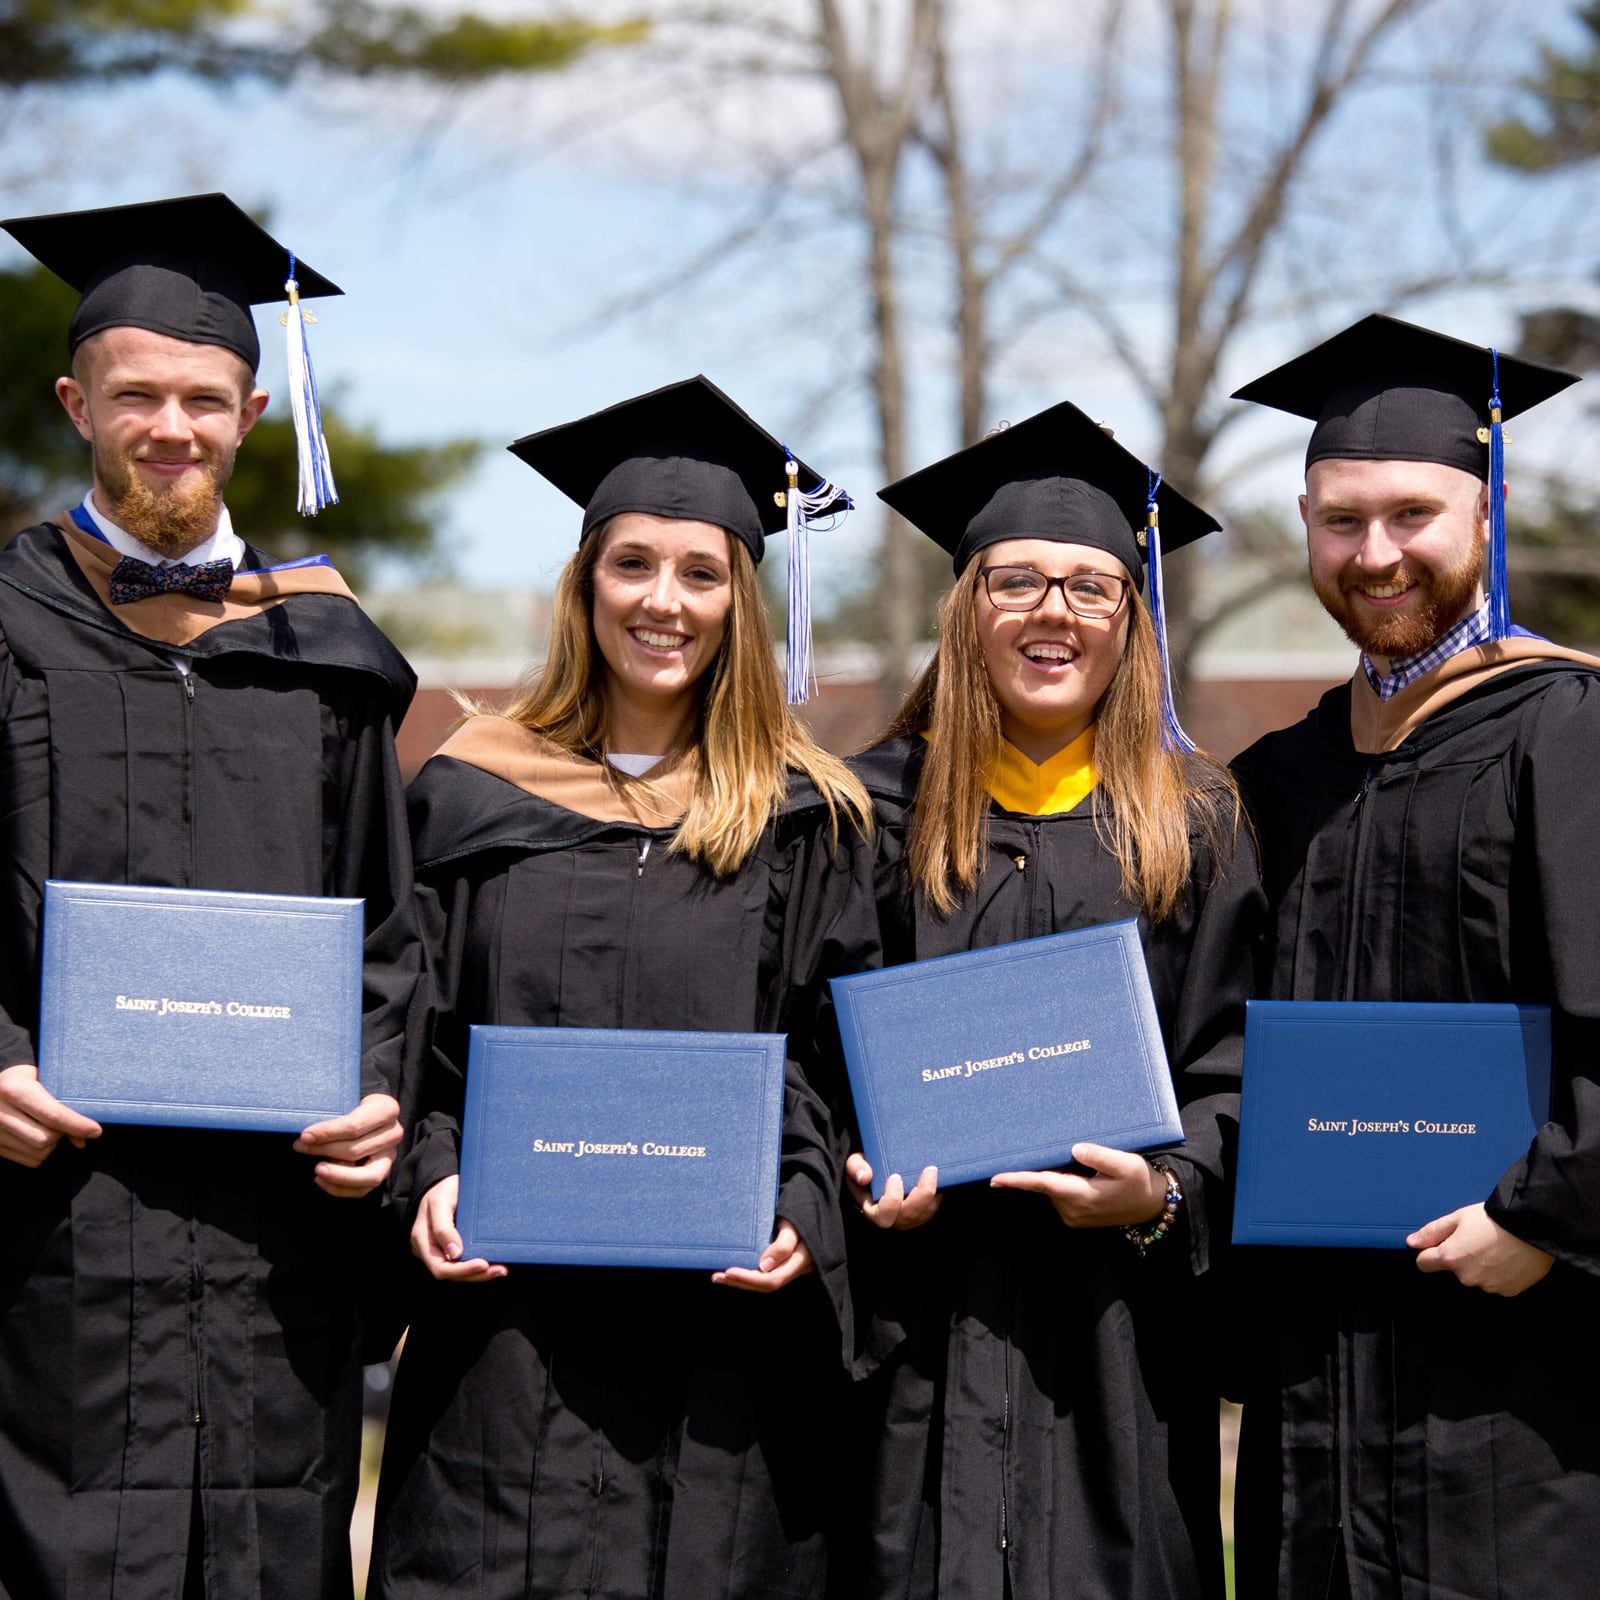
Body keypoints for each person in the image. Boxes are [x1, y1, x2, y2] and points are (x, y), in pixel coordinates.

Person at [367, 376, 875, 1600]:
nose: (663, 600)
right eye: (632, 563)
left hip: (723, 1370)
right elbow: (405, 1042)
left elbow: (837, 1063)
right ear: (585, 581)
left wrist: (805, 1210)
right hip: (505, 1354)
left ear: (742, 601)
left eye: (701, 573)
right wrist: (426, 1180)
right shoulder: (466, 798)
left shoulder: (811, 822)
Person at [0, 194, 418, 1600]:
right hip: (49, 1242)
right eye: (136, 396)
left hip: (271, 1259)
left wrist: (375, 1091)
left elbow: (390, 927)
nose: (170, 426)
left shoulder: (326, 653)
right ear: (76, 403)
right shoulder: (7, 626)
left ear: (249, 414)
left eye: (202, 398)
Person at [841, 402, 1265, 1600]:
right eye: (1017, 579)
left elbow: (1230, 1064)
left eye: (1090, 587)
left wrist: (1164, 1189)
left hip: (1114, 1348)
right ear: (965, 605)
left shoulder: (1194, 825)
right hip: (912, 1339)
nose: (1052, 613)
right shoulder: (866, 816)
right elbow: (813, 1059)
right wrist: (862, 1176)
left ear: (1133, 621)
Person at [1228, 313, 1600, 1599]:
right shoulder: (1275, 779)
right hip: (1314, 1375)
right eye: (1341, 520)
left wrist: (1546, 1214)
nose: (1375, 553)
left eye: (1411, 514)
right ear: (1303, 522)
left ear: (1487, 513)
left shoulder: (1566, 733)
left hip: (1519, 1372)